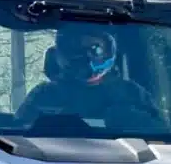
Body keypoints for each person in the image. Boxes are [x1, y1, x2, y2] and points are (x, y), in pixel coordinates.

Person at [15, 26, 162, 128]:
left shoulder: (132, 94)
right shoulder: (45, 95)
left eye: (95, 49)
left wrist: (131, 121)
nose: (85, 57)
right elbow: (19, 134)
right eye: (75, 50)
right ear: (60, 53)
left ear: (108, 51)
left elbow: (162, 138)